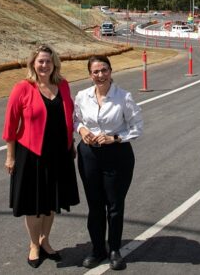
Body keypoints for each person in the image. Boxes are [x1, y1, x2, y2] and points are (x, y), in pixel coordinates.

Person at [3, 44, 80, 269]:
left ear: (54, 63)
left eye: (48, 61)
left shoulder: (63, 85)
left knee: (51, 204)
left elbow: (68, 116)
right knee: (34, 206)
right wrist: (10, 156)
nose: (45, 65)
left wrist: (71, 143)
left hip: (59, 154)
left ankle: (45, 240)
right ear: (33, 64)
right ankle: (34, 244)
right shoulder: (22, 88)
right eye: (40, 61)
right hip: (31, 155)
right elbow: (10, 125)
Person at [75, 55, 144, 271]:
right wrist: (82, 130)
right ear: (90, 75)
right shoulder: (82, 96)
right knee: (95, 205)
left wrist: (115, 138)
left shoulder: (123, 97)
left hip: (117, 155)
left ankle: (114, 250)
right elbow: (76, 119)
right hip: (89, 155)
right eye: (95, 71)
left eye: (104, 70)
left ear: (111, 71)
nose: (100, 75)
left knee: (114, 205)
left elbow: (137, 127)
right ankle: (97, 249)